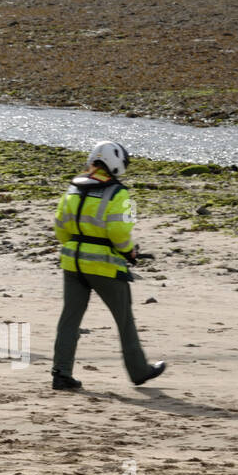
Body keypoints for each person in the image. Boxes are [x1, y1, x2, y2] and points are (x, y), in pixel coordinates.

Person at [51, 140, 166, 390]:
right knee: (124, 320)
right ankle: (139, 371)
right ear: (117, 165)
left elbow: (60, 228)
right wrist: (130, 253)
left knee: (69, 320)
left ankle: (61, 372)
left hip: (72, 263)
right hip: (104, 266)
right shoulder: (118, 193)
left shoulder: (73, 188)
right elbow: (118, 232)